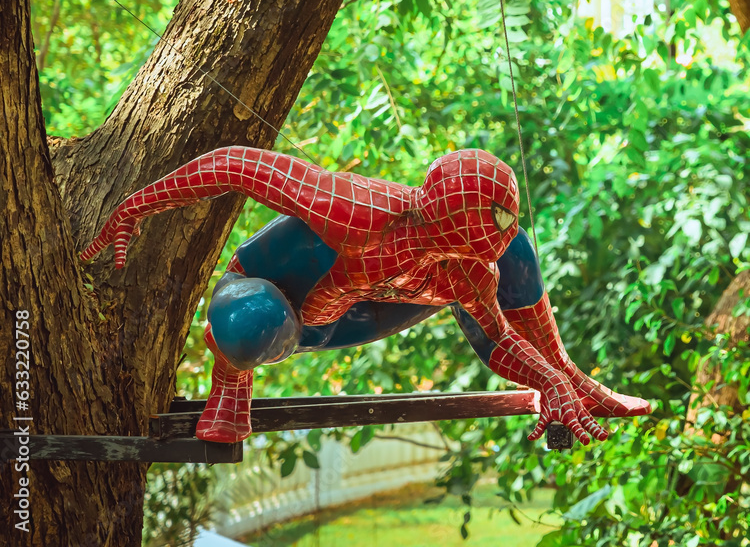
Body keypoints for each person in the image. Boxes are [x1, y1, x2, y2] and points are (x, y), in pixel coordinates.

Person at [81, 146, 650, 443]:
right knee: (251, 321)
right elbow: (236, 164)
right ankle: (232, 379)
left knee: (519, 256)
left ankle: (573, 380)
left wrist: (549, 379)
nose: (486, 248)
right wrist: (134, 208)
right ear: (438, 208)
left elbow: (497, 340)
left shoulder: (474, 271)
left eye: (490, 237)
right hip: (283, 296)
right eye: (480, 232)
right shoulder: (359, 211)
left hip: (355, 311)